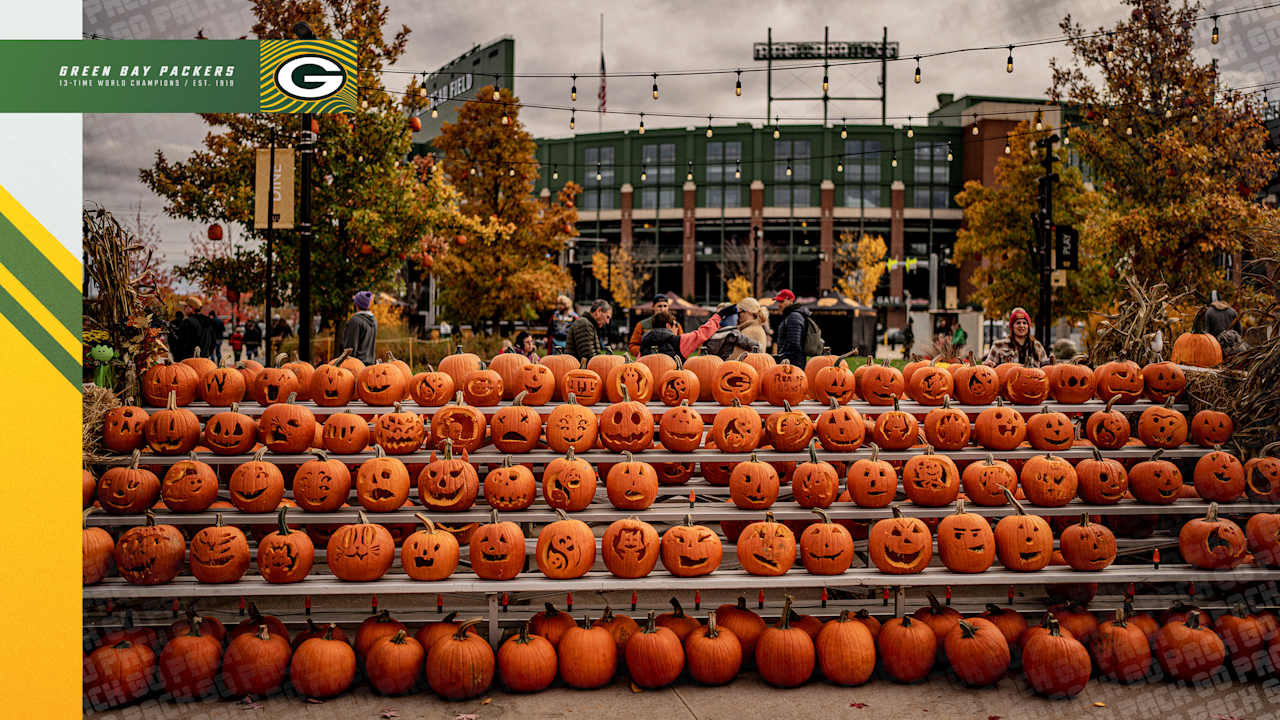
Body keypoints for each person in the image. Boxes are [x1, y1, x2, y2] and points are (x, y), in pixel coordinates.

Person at [641, 305, 738, 360]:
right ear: (668, 326)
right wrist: (719, 315)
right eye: (675, 325)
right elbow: (703, 333)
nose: (677, 328)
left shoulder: (644, 341)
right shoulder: (679, 341)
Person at [983, 307, 1050, 367]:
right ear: (1012, 327)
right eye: (1018, 323)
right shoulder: (998, 346)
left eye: (1024, 323)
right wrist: (991, 365)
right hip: (1008, 380)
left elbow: (1046, 369)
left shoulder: (1037, 346)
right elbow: (988, 371)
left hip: (1033, 380)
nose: (1021, 325)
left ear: (1028, 327)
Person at [774, 289, 811, 366]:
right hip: (792, 363)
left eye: (781, 301)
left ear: (791, 301)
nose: (778, 304)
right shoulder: (791, 316)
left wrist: (785, 359)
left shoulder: (793, 317)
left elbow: (794, 344)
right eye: (778, 301)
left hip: (792, 365)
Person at [342, 291, 378, 363]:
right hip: (370, 365)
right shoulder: (374, 320)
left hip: (357, 366)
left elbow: (350, 347)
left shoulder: (355, 321)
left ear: (356, 304)